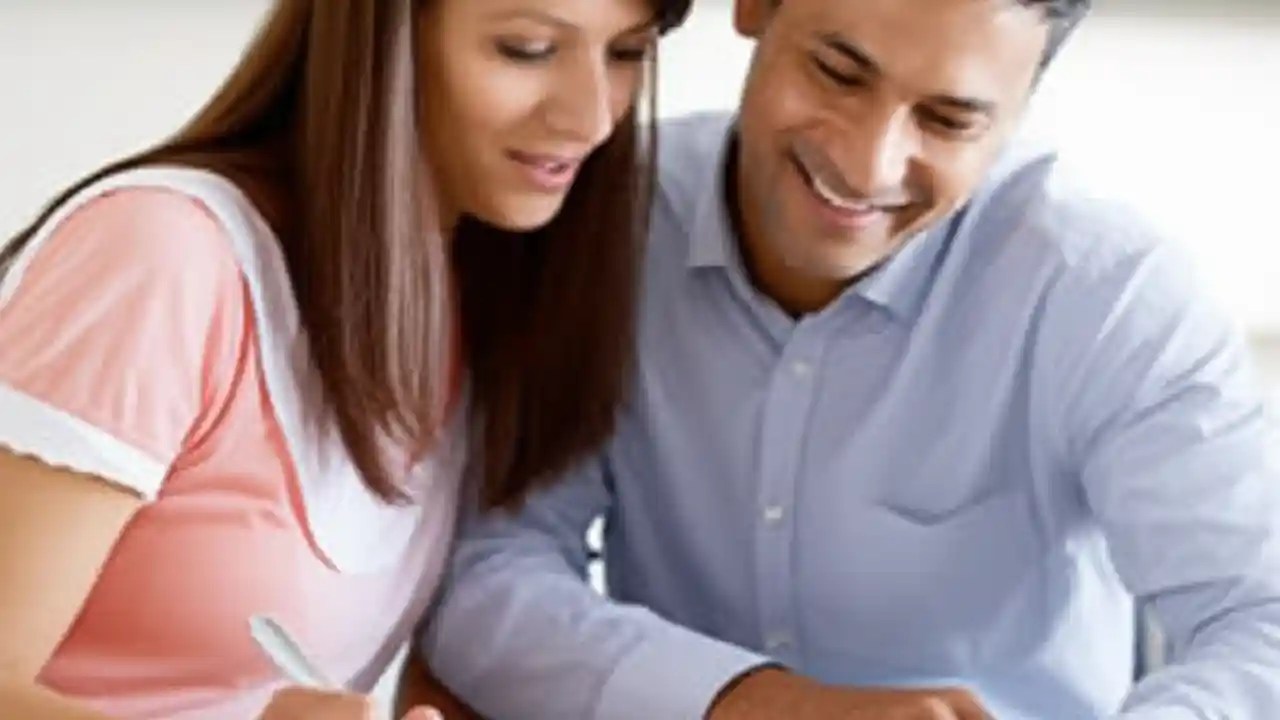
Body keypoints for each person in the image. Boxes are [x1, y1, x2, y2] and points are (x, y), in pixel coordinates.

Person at [419, 0, 1280, 718]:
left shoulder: (1111, 295)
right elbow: (490, 568)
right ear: (756, 8)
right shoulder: (598, 217)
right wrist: (766, 704)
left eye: (948, 119)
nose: (866, 164)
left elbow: (1260, 619)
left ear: (1019, 112)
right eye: (837, 71)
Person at [0, 0, 692, 717]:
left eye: (627, 54)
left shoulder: (474, 297)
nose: (591, 119)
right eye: (525, 49)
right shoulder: (161, 254)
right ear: (385, 40)